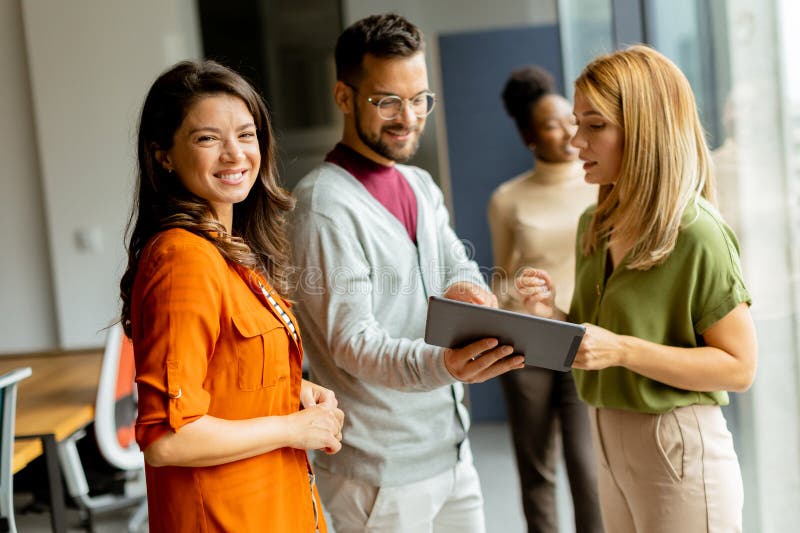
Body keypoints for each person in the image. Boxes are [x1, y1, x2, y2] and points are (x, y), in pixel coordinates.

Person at [290, 13, 524, 533]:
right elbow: (353, 344)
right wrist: (448, 365)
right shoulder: (323, 206)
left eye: (419, 98)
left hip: (450, 447)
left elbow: (455, 265)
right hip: (381, 472)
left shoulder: (419, 184)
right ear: (345, 97)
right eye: (387, 101)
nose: (409, 116)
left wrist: (470, 290)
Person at [516, 45, 758, 533]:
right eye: (575, 122)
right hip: (606, 439)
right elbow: (595, 344)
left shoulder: (697, 233)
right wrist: (551, 314)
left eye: (594, 125)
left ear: (645, 129)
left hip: (677, 449)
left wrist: (622, 350)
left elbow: (738, 367)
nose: (574, 139)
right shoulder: (596, 224)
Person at [119, 60, 344, 533]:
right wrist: (292, 428)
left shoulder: (228, 251)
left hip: (279, 508)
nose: (234, 154)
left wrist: (290, 390)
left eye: (246, 135)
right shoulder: (183, 258)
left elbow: (225, 370)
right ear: (163, 154)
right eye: (207, 139)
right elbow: (168, 438)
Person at [487, 66, 602, 533]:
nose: (569, 131)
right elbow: (502, 277)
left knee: (586, 467)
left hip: (581, 338)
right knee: (536, 468)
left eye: (571, 120)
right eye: (553, 124)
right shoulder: (507, 198)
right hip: (526, 343)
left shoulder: (600, 182)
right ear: (530, 137)